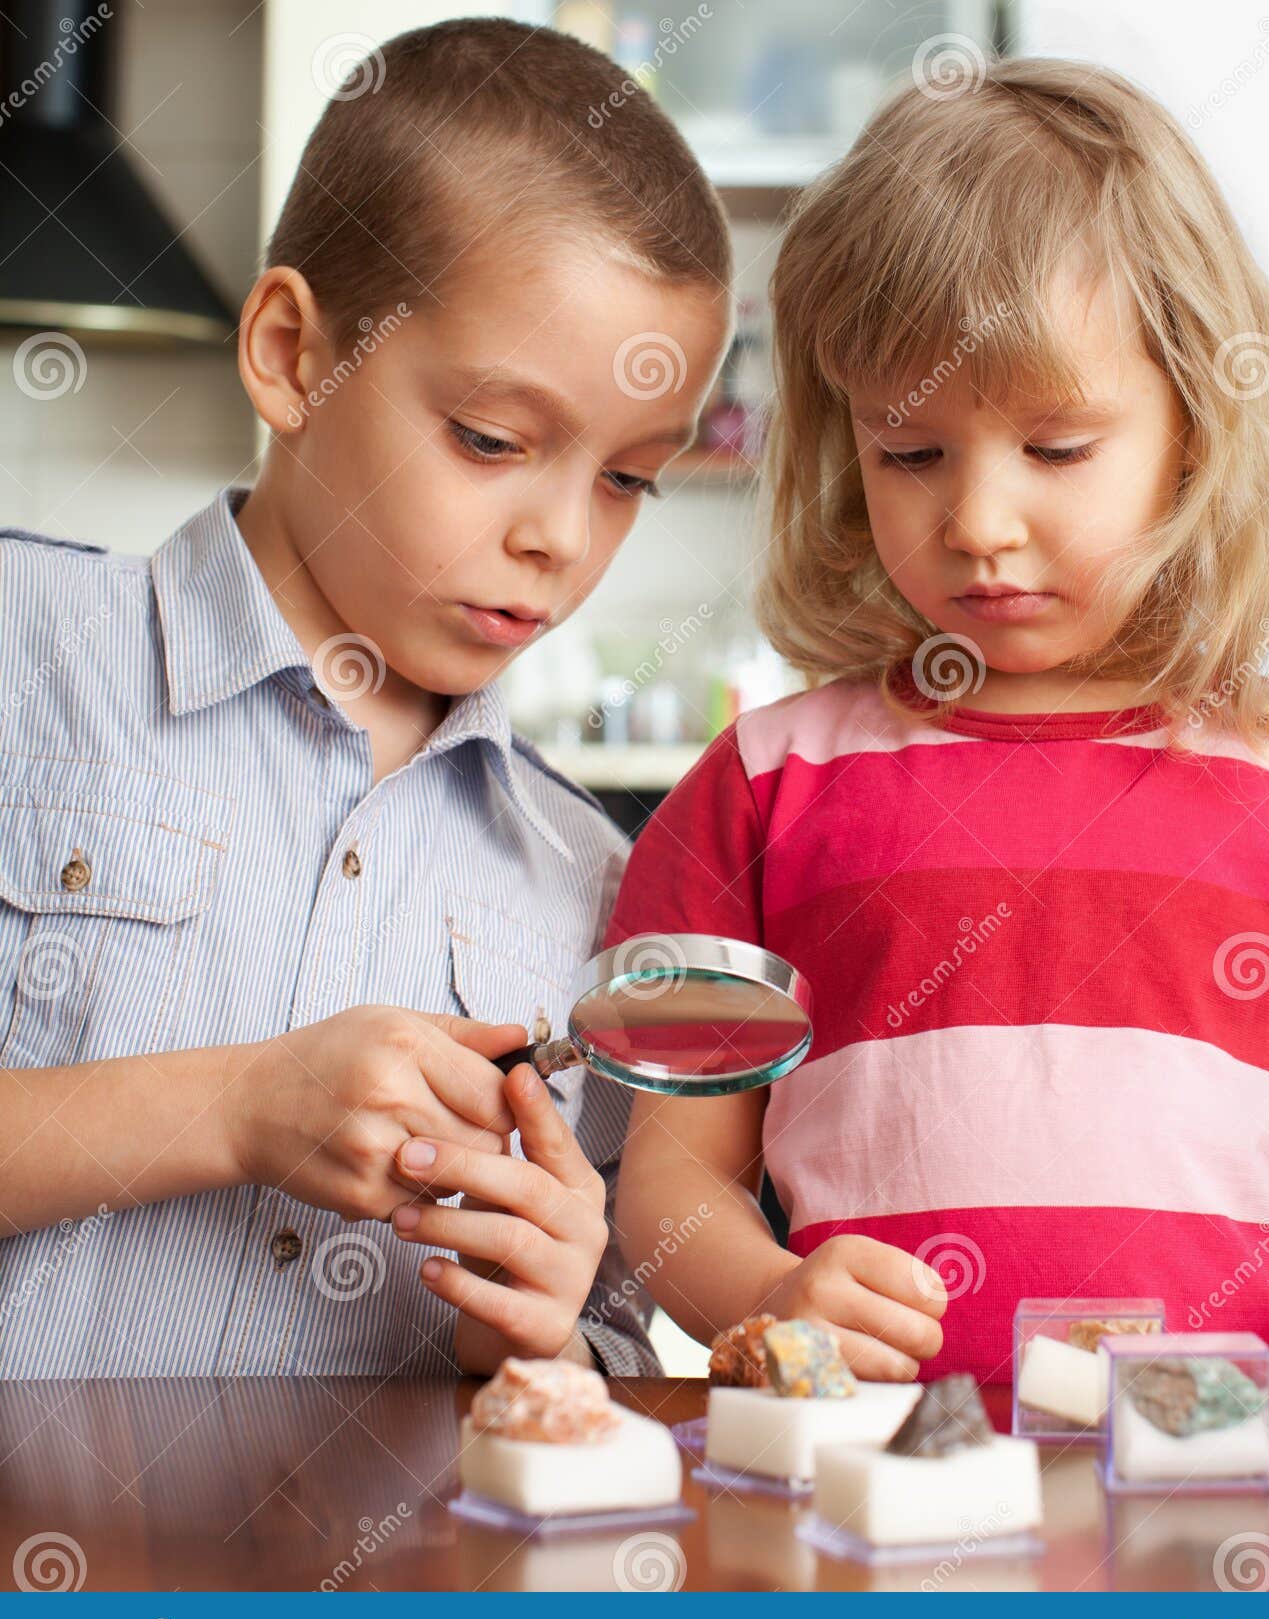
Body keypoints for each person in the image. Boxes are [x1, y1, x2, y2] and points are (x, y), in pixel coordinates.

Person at [609, 59, 1269, 1407]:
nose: (980, 521)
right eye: (910, 452)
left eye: (1057, 449)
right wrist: (763, 1293)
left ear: (1197, 432)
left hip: (1232, 1491)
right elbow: (675, 1181)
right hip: (871, 1499)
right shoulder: (761, 784)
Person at [0, 20, 730, 1379]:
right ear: (289, 353)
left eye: (628, 476)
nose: (562, 536)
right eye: (494, 441)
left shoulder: (593, 884)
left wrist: (539, 1324)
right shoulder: (23, 658)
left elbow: (600, 1378)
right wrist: (231, 1105)